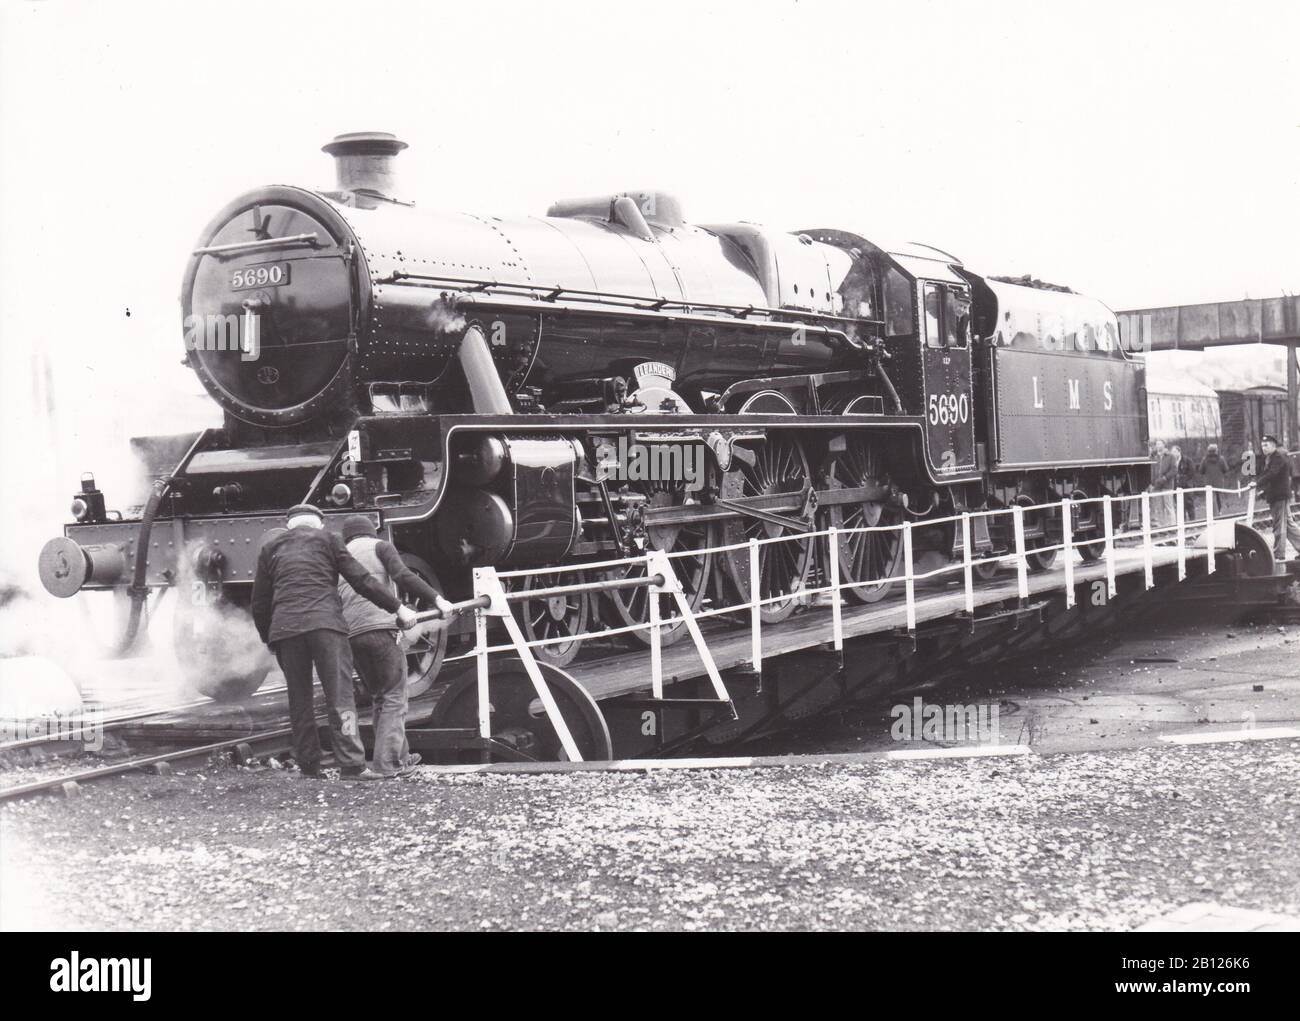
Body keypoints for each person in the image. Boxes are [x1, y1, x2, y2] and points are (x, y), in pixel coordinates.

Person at [252, 504, 419, 780]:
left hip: (286, 630)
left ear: (288, 523)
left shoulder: (271, 548)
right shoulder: (329, 540)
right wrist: (397, 607)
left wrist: (269, 637)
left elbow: (259, 602)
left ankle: (309, 766)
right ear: (319, 523)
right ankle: (351, 765)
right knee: (340, 698)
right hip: (326, 628)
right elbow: (361, 580)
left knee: (300, 700)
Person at [338, 516, 450, 778]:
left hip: (351, 635)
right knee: (395, 697)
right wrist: (436, 599)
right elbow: (403, 574)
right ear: (371, 532)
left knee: (380, 695)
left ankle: (400, 756)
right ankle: (388, 765)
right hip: (380, 629)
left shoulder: (340, 555)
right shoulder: (380, 547)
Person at [1253, 434, 1300, 563]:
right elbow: (1273, 479)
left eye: (1266, 445)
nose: (1264, 448)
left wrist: (1257, 483)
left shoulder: (1278, 457)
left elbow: (1272, 474)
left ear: (1273, 445)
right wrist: (1263, 493)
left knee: (1279, 526)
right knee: (1289, 525)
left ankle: (1278, 555)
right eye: (1262, 445)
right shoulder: (1272, 457)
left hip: (1280, 496)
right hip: (1277, 495)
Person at [1148, 439, 1177, 531]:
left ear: (1164, 445)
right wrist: (1152, 482)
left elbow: (1174, 470)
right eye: (1156, 444)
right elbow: (1151, 469)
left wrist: (1165, 478)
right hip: (1156, 485)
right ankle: (1162, 527)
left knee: (1168, 506)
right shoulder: (1154, 457)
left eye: (1160, 444)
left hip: (1166, 485)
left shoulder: (1171, 456)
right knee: (1159, 507)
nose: (1158, 445)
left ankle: (1172, 526)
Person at [1199, 444, 1229, 514]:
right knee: (1218, 497)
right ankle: (1219, 511)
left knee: (1210, 498)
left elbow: (1200, 470)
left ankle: (1211, 512)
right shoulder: (1221, 459)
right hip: (1219, 482)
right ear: (1216, 450)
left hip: (1208, 483)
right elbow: (1226, 469)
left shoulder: (1204, 459)